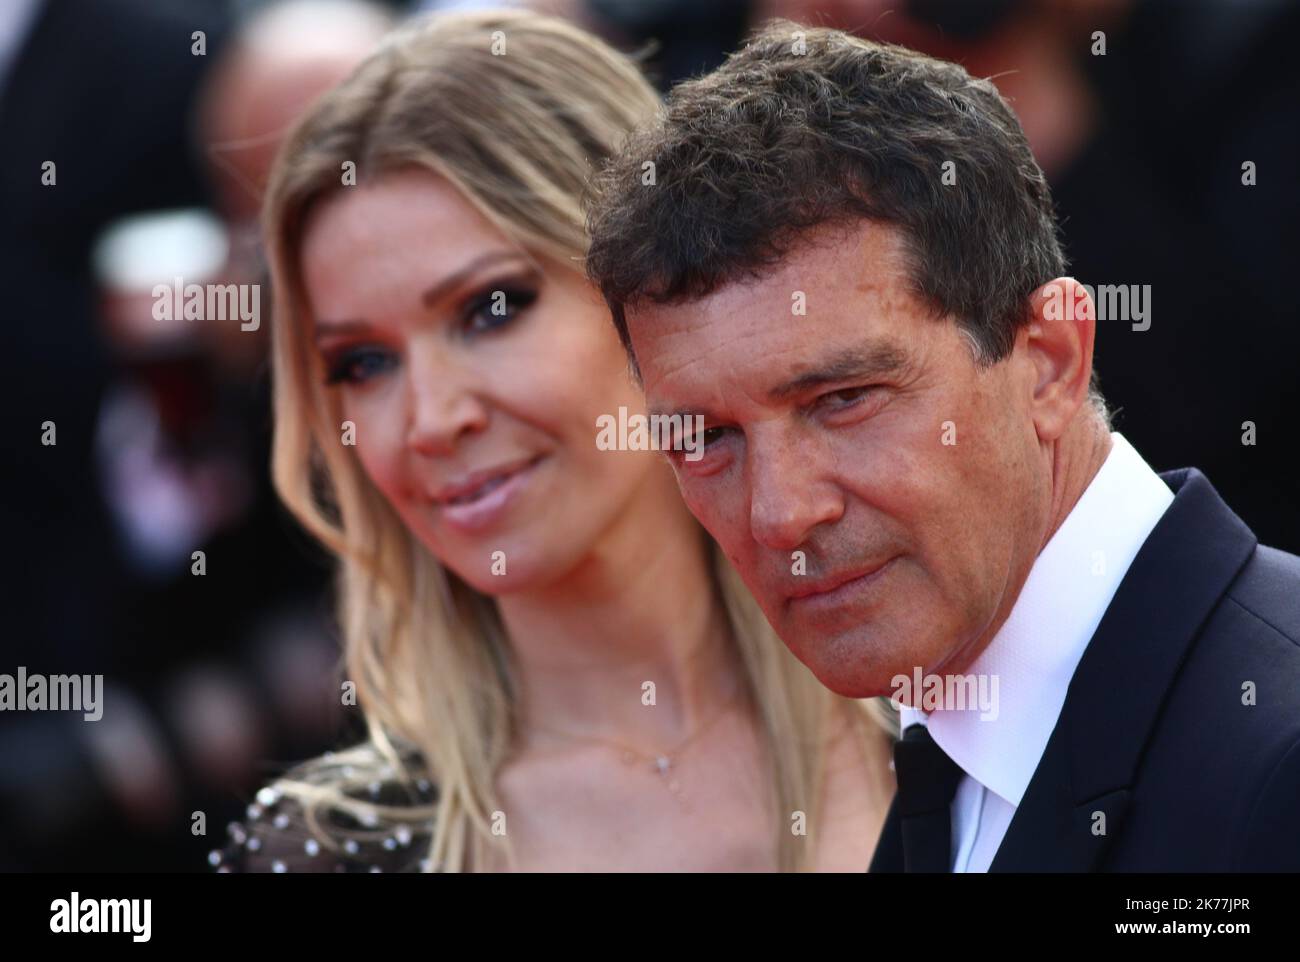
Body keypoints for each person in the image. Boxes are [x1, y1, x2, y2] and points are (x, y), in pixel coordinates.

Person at [583, 20, 1300, 871]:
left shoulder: (1277, 764)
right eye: (704, 438)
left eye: (842, 399)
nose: (780, 514)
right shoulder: (952, 742)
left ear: (1049, 362)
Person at [212, 10, 895, 873]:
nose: (430, 419)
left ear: (657, 291)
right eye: (365, 361)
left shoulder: (958, 722)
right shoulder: (326, 854)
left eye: (489, 309)